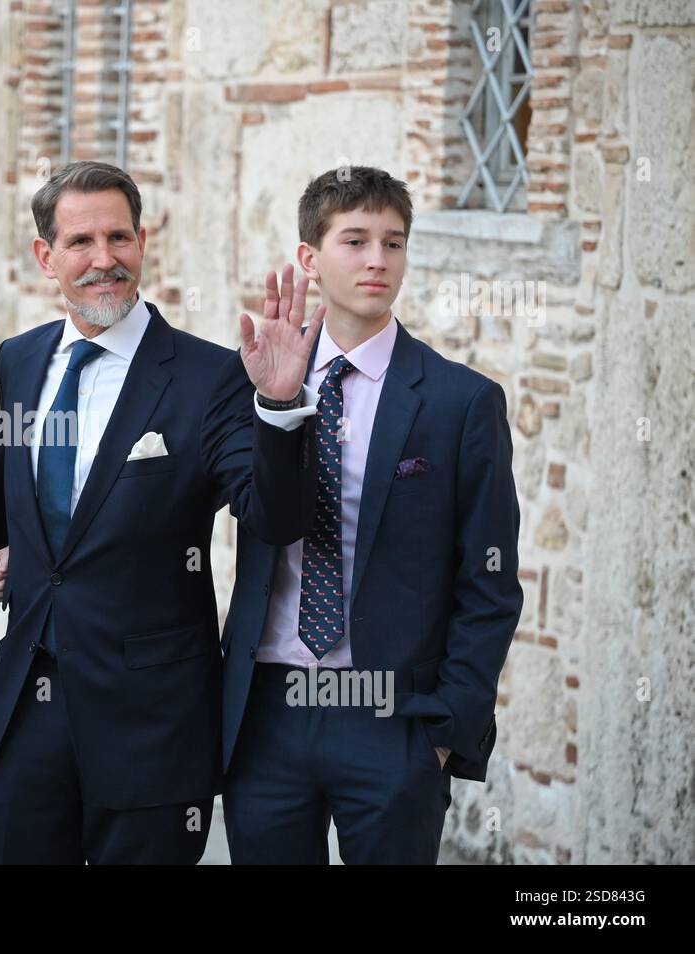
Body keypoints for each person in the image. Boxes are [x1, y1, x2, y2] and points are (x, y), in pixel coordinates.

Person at [223, 166, 522, 864]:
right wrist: (276, 406)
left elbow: (491, 581)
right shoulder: (255, 383)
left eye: (393, 243)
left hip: (395, 719)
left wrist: (444, 729)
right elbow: (260, 516)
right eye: (355, 241)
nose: (377, 260)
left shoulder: (461, 402)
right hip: (269, 706)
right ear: (309, 258)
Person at [0, 161, 260, 864]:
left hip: (152, 719)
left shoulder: (210, 374)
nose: (104, 260)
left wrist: (278, 410)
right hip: (28, 707)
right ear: (47, 257)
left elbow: (269, 513)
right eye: (80, 242)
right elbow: (6, 497)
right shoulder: (19, 359)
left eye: (119, 238)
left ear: (142, 242)